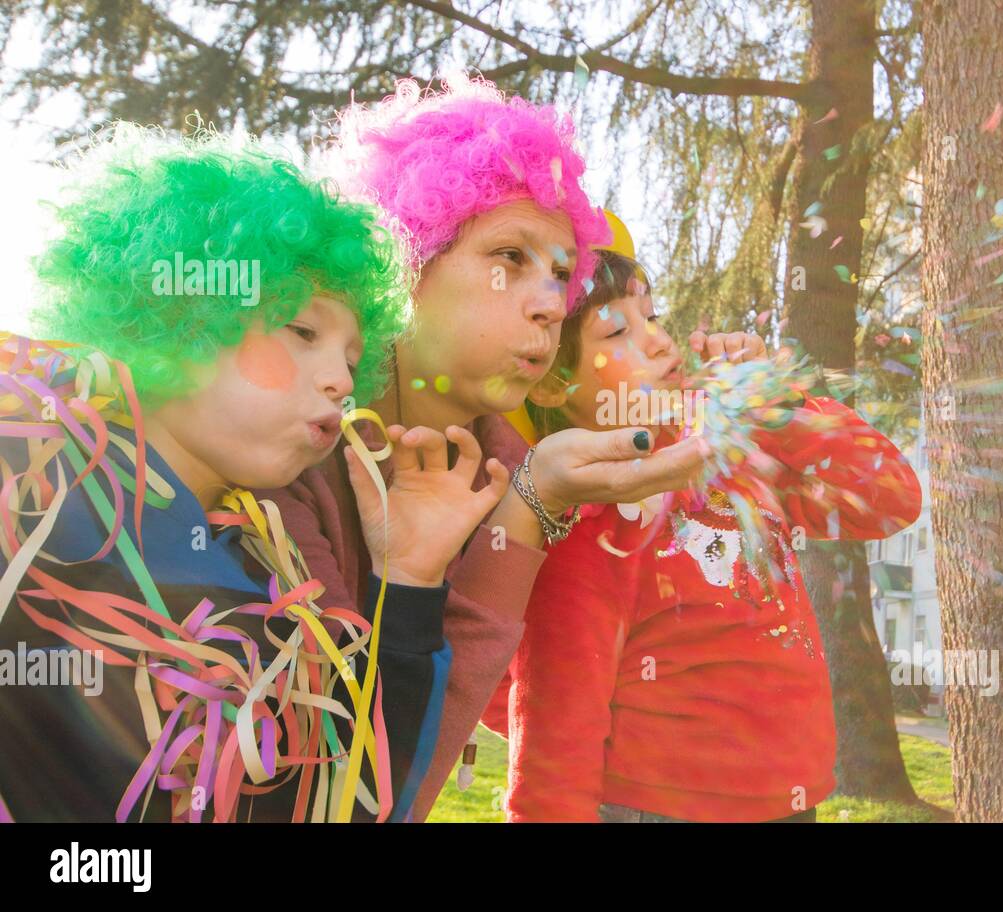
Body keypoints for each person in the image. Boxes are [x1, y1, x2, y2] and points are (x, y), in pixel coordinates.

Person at [0, 127, 504, 822]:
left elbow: (355, 805)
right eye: (302, 333)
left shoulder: (276, 590)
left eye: (352, 359)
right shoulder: (26, 490)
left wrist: (410, 580)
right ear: (180, 316)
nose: (338, 381)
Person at [264, 75, 708, 817]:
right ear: (402, 264)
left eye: (562, 274)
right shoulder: (292, 455)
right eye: (510, 257)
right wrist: (527, 510)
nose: (548, 304)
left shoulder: (516, 462)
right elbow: (349, 791)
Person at [484, 226, 925, 822]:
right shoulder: (585, 516)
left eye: (652, 317)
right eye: (619, 331)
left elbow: (888, 497)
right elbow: (556, 722)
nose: (663, 343)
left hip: (791, 801)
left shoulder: (735, 448)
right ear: (556, 379)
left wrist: (777, 406)